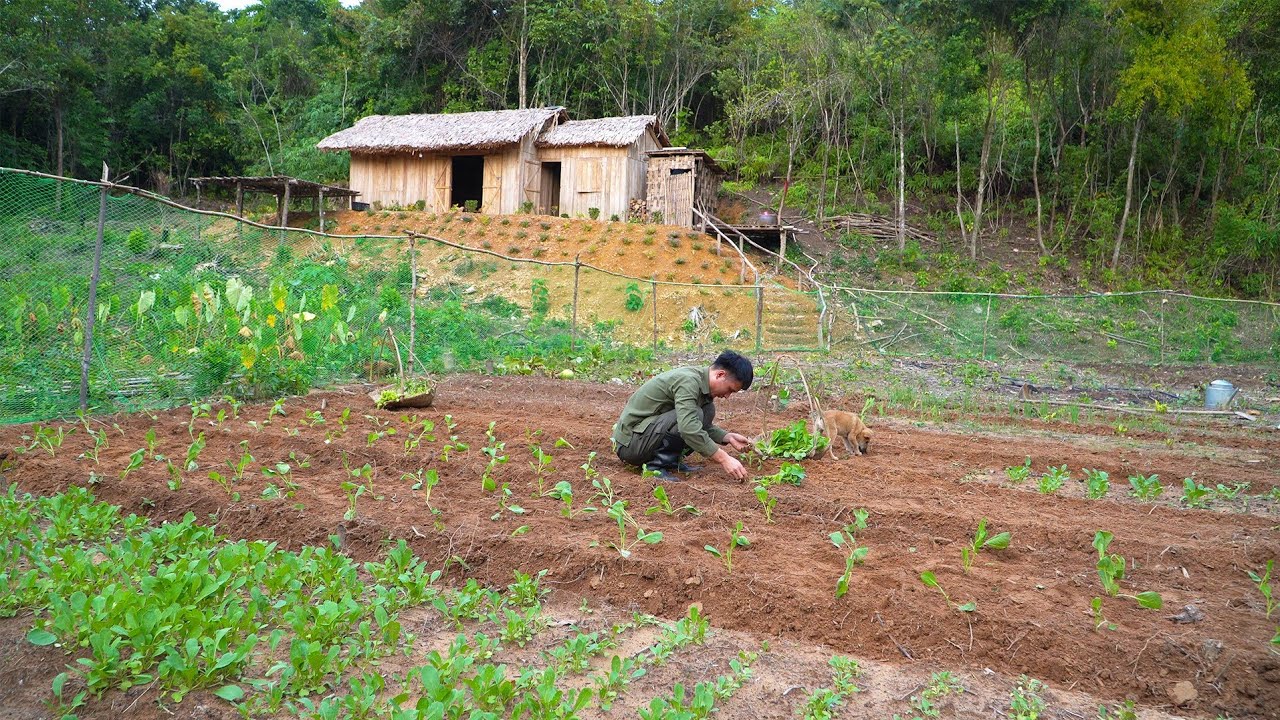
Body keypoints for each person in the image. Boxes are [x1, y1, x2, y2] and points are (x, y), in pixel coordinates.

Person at [612, 350, 754, 482]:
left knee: (705, 411)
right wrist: (724, 458)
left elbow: (702, 426)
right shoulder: (689, 381)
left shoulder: (702, 385)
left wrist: (727, 437)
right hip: (630, 445)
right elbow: (689, 428)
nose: (727, 396)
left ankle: (670, 462)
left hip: (645, 436)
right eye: (729, 389)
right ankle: (655, 467)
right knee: (695, 415)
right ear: (720, 375)